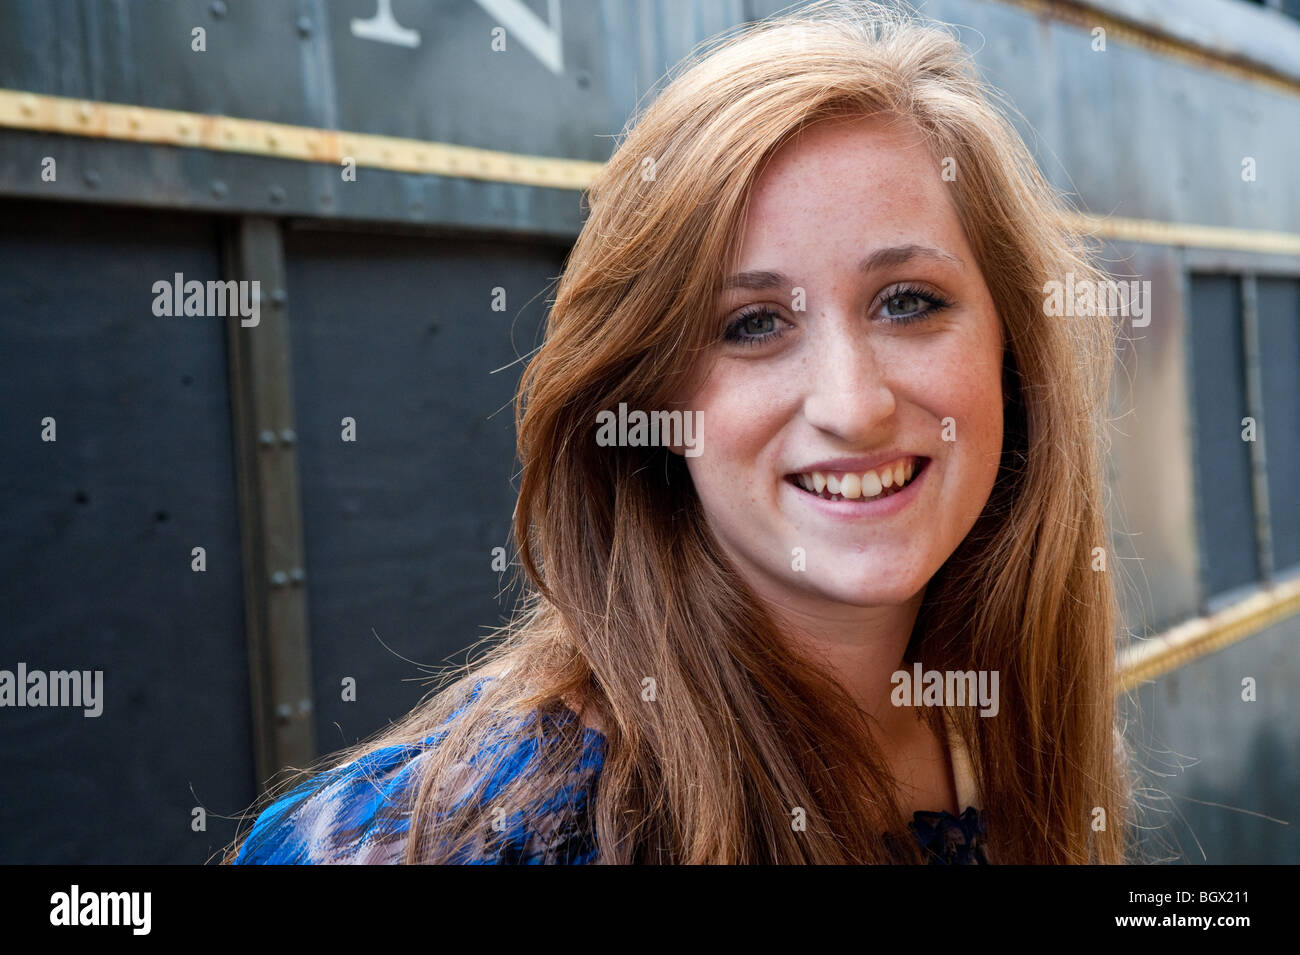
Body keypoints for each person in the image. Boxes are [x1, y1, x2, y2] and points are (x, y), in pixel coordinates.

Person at [226, 0, 1130, 865]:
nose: (852, 406)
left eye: (908, 303)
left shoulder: (1017, 736)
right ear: (654, 402)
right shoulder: (469, 838)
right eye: (753, 324)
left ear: (1012, 349)